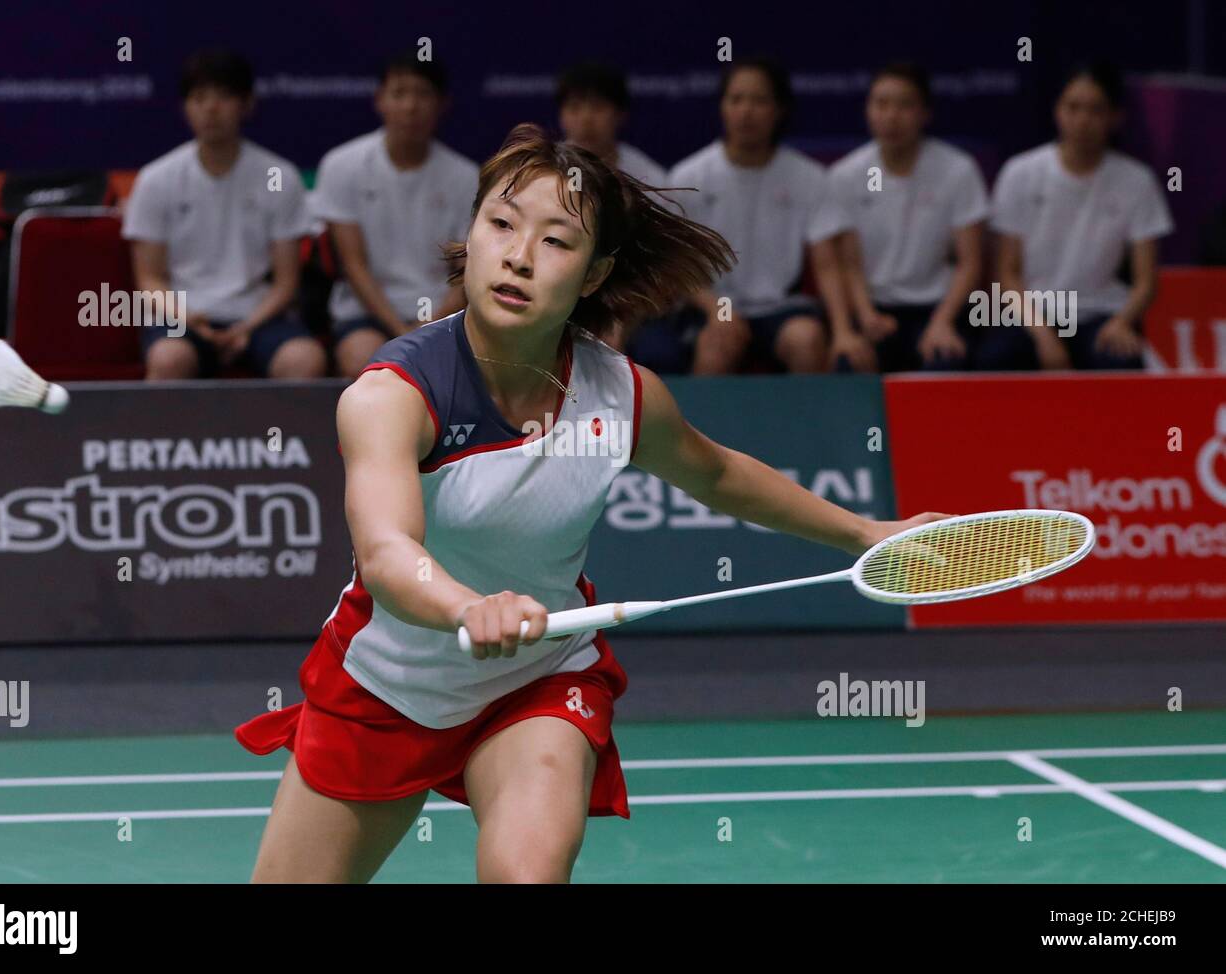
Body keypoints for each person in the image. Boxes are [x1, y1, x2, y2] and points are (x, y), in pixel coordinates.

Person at [234, 123, 946, 884]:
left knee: (526, 874)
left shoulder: (619, 394)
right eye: (501, 225)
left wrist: (869, 533)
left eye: (556, 242)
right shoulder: (392, 395)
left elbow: (720, 476)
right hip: (387, 683)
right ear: (469, 235)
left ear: (595, 272)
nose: (518, 256)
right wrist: (466, 607)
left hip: (536, 676)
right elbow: (386, 554)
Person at [633, 56, 862, 375]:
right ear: (723, 107)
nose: (746, 111)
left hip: (780, 305)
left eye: (759, 100)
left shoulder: (809, 176)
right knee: (718, 343)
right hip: (717, 304)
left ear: (779, 109)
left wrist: (843, 331)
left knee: (807, 339)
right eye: (736, 99)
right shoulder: (690, 176)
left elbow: (827, 264)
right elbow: (675, 265)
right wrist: (715, 310)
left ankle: (805, 424)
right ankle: (701, 426)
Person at [124, 49, 325, 380]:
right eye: (199, 97)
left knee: (304, 359)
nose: (211, 108)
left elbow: (286, 281)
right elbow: (149, 279)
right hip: (182, 316)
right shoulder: (156, 179)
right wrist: (188, 319)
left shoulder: (279, 176)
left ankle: (279, 435)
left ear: (247, 104)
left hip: (261, 317)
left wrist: (247, 326)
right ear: (185, 107)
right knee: (168, 359)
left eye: (224, 97)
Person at [975, 61, 1173, 370]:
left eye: (1096, 110)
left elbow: (1146, 281)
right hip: (1032, 313)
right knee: (994, 359)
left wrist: (1122, 323)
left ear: (1115, 117)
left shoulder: (1137, 181)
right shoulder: (1020, 172)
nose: (1083, 120)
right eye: (1073, 107)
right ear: (1057, 111)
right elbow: (1007, 274)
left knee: (1121, 361)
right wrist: (1043, 335)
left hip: (1102, 313)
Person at [313, 52, 478, 376]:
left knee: (463, 367)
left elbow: (468, 270)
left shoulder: (466, 177)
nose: (410, 106)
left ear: (442, 104)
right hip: (365, 314)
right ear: (380, 100)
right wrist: (401, 332)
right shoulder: (341, 165)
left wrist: (429, 327)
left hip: (444, 314)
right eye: (399, 93)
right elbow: (354, 265)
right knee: (362, 358)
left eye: (422, 94)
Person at [830, 62, 988, 372]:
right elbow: (849, 264)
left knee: (945, 359)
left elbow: (970, 263)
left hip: (938, 307)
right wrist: (866, 317)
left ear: (925, 113)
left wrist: (942, 322)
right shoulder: (846, 175)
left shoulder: (958, 169)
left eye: (904, 105)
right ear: (868, 110)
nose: (891, 116)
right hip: (876, 307)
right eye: (881, 104)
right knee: (850, 362)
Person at [555, 60, 671, 353]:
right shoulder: (541, 175)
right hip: (557, 300)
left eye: (597, 108)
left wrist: (623, 320)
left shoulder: (651, 180)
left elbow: (662, 272)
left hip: (632, 308)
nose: (586, 119)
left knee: (658, 349)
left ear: (620, 115)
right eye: (575, 107)